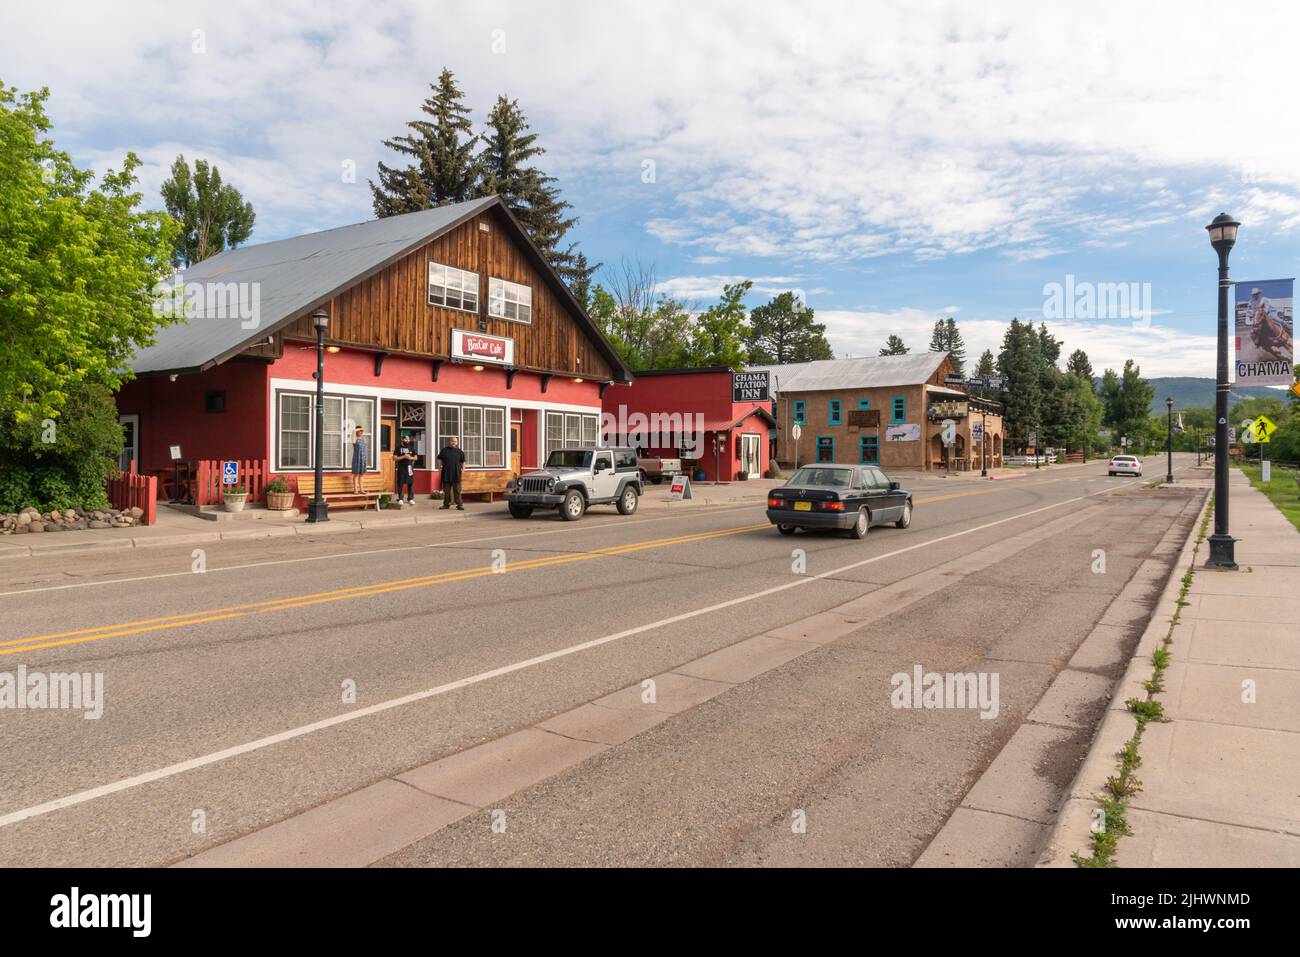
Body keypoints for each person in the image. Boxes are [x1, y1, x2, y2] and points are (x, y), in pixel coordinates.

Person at [436, 435, 465, 510]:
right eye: (452, 441)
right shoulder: (444, 450)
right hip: (446, 473)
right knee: (446, 491)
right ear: (450, 441)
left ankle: (459, 505)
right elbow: (439, 459)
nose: (453, 442)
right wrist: (439, 468)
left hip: (456, 474)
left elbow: (463, 462)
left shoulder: (460, 451)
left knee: (457, 490)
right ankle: (446, 505)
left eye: (455, 441)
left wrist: (463, 469)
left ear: (457, 442)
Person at [395, 432, 417, 506]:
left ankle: (410, 498)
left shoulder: (411, 447)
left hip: (409, 467)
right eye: (406, 439)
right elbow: (394, 458)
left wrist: (410, 458)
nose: (408, 440)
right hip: (401, 467)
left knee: (410, 483)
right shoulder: (398, 448)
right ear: (402, 439)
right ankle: (400, 499)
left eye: (408, 439)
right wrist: (403, 457)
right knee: (400, 483)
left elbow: (416, 457)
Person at [350, 426, 367, 493]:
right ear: (357, 431)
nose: (361, 432)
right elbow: (353, 431)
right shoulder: (354, 439)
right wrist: (359, 428)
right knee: (356, 474)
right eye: (360, 431)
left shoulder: (362, 439)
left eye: (362, 431)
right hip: (357, 459)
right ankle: (355, 490)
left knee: (361, 474)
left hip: (363, 459)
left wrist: (361, 429)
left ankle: (362, 489)